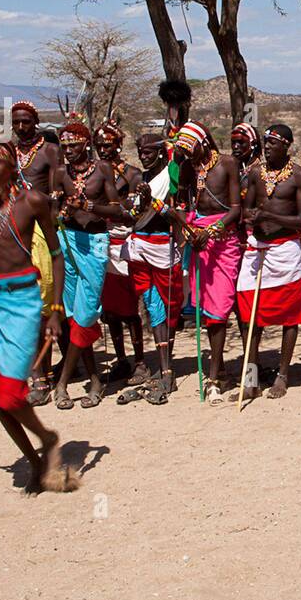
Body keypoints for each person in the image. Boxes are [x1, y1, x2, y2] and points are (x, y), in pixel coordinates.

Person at [0, 140, 74, 495]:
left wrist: (55, 309)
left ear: (13, 168)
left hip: (24, 302)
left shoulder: (33, 203)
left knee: (11, 392)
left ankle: (47, 436)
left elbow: (57, 255)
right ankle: (35, 459)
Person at [238, 123, 301, 399]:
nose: (266, 147)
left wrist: (270, 217)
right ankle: (251, 380)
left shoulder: (299, 177)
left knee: (289, 316)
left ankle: (282, 375)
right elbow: (247, 209)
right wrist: (251, 217)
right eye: (265, 142)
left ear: (287, 146)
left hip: (286, 253)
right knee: (249, 315)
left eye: (272, 143)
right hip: (257, 250)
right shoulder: (256, 173)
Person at [52, 120, 121, 410]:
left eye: (74, 145)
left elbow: (117, 210)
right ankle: (93, 377)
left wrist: (88, 207)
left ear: (86, 144)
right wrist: (61, 210)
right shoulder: (59, 173)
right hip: (67, 241)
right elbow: (53, 211)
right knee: (74, 314)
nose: (68, 151)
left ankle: (63, 382)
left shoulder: (103, 170)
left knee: (87, 311)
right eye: (64, 146)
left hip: (94, 244)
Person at [175, 121, 242, 404]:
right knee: (208, 311)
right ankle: (218, 372)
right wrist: (187, 229)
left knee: (221, 308)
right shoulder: (188, 168)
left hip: (224, 242)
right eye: (186, 153)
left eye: (193, 149)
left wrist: (211, 232)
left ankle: (214, 377)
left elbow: (237, 209)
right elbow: (182, 205)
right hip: (198, 240)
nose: (191, 156)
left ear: (205, 141)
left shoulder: (227, 164)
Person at [119, 129, 186, 405]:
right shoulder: (138, 179)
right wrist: (138, 204)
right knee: (153, 305)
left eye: (148, 152)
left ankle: (165, 366)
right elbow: (131, 214)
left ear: (160, 152)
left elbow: (179, 214)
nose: (144, 157)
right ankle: (165, 368)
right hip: (140, 247)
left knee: (169, 307)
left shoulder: (172, 176)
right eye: (141, 152)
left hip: (164, 247)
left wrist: (154, 203)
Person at [11, 100, 64, 404]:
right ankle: (35, 375)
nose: (21, 127)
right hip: (14, 230)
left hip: (44, 231)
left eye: (26, 122)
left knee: (43, 302)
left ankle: (44, 377)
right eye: (16, 122)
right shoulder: (8, 150)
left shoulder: (49, 151)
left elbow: (55, 195)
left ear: (35, 121)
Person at [94, 122, 148, 385]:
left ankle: (139, 362)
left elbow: (137, 212)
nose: (103, 150)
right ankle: (121, 360)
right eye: (99, 146)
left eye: (108, 145)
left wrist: (120, 209)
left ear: (118, 144)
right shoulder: (92, 174)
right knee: (110, 310)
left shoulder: (133, 175)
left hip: (125, 242)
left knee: (129, 309)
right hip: (100, 244)